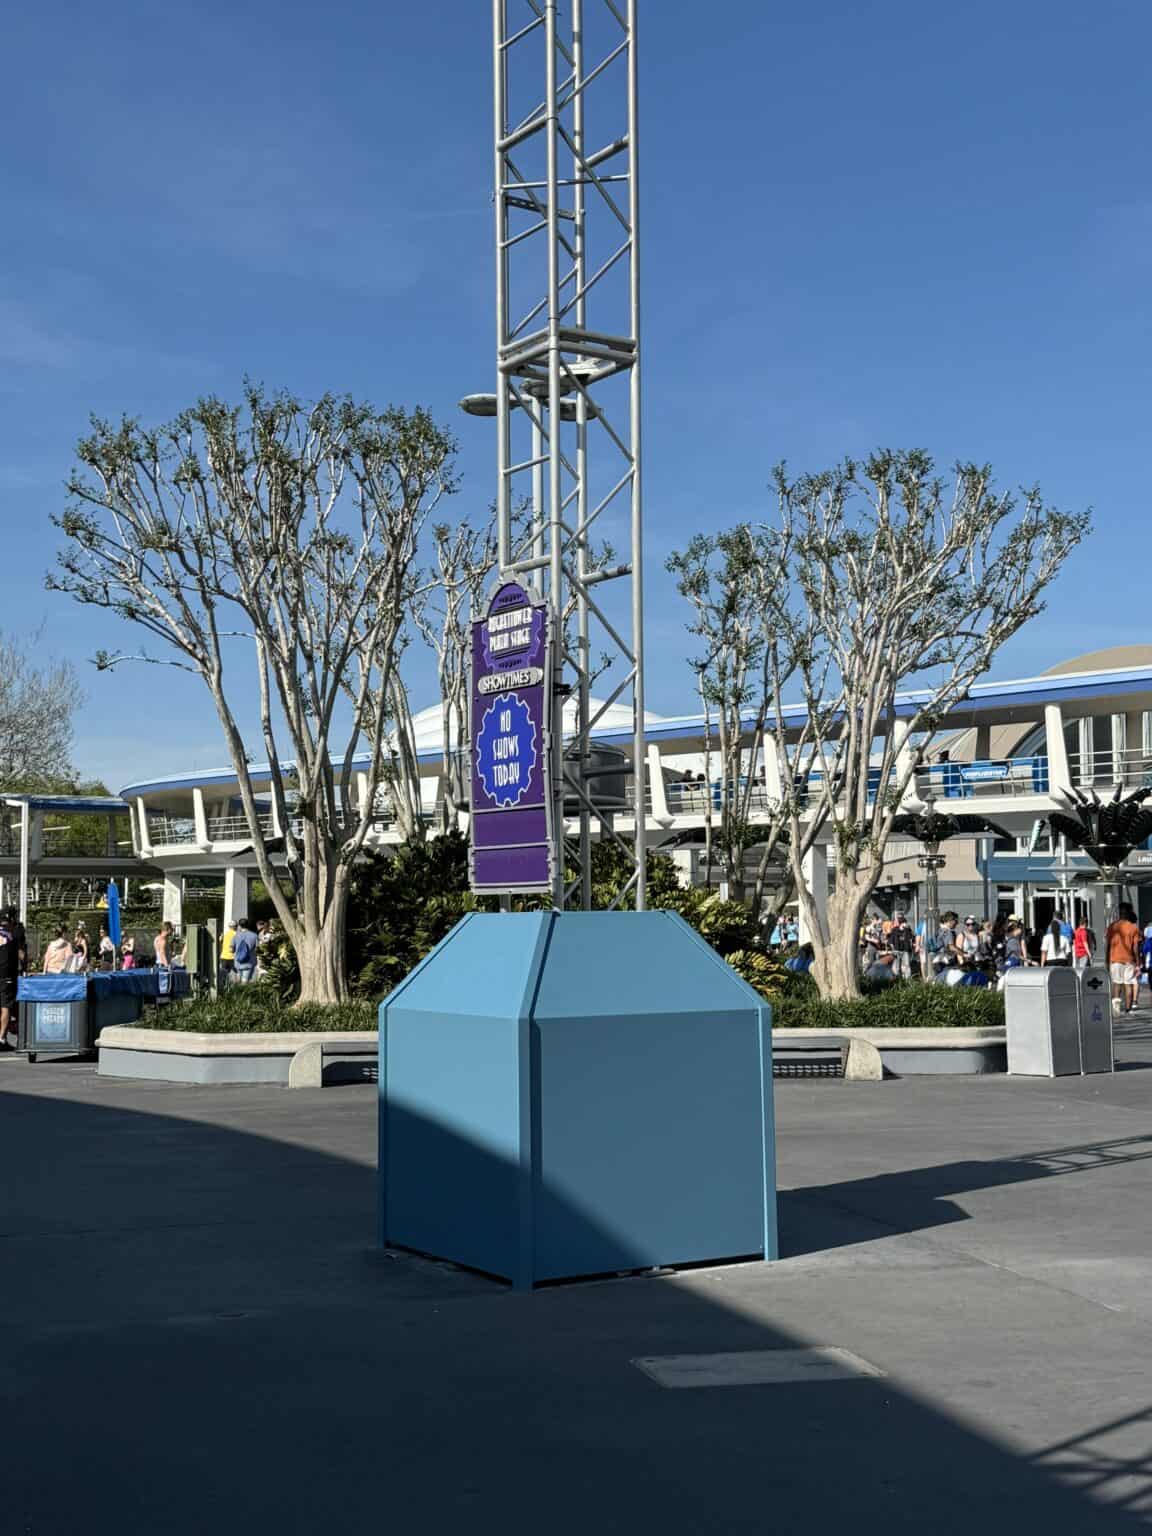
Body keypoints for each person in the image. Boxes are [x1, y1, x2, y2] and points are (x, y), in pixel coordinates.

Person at [1105, 903, 1142, 1016]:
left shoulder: (1112, 926)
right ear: (1129, 912)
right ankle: (1128, 1009)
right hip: (1129, 960)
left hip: (1115, 959)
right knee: (1128, 984)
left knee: (1116, 984)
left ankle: (1116, 1010)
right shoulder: (1133, 927)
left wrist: (1107, 959)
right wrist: (1137, 961)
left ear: (1120, 913)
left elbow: (1108, 945)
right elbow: (1135, 947)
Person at [0, 913, 19, 1049]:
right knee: (5, 1007)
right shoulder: (10, 937)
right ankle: (1, 1038)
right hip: (6, 976)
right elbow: (19, 956)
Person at [888, 912, 915, 979]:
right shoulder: (894, 930)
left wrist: (911, 948)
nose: (906, 924)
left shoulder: (908, 930)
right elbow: (891, 941)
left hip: (905, 951)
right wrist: (893, 950)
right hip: (897, 950)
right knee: (896, 966)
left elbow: (912, 939)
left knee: (906, 966)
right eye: (904, 923)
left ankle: (907, 979)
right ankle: (895, 978)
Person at [232, 916, 258, 984]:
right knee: (245, 980)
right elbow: (257, 949)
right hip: (249, 961)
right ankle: (243, 992)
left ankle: (236, 992)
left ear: (239, 926)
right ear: (248, 925)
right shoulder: (254, 935)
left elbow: (231, 949)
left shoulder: (236, 935)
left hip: (238, 961)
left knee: (238, 978)